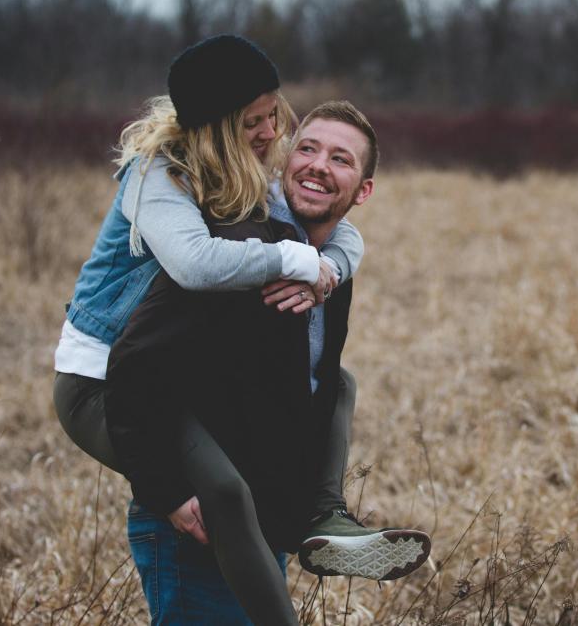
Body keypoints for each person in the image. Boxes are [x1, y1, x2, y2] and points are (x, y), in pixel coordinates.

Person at [50, 36, 391, 621]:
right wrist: (296, 263)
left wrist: (329, 266)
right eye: (252, 122)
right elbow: (195, 264)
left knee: (338, 383)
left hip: (158, 376)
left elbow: (326, 227)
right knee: (224, 494)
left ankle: (321, 516)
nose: (270, 133)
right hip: (103, 374)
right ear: (216, 127)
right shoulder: (158, 174)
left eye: (273, 115)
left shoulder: (241, 179)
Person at [108, 101, 430, 625]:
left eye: (341, 159)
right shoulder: (239, 249)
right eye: (307, 148)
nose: (319, 164)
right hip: (194, 521)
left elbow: (295, 393)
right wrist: (164, 491)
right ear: (284, 162)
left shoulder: (329, 264)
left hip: (257, 523)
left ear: (363, 190)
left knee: (339, 383)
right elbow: (132, 366)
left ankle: (326, 516)